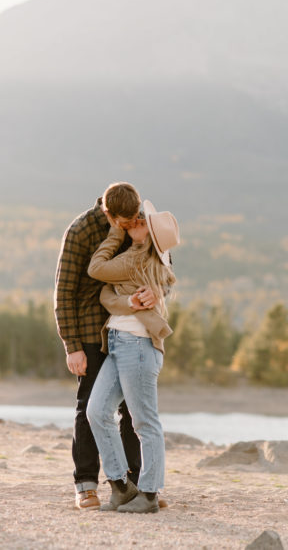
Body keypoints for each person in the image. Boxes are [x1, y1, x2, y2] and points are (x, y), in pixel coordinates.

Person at [53, 182, 156, 511]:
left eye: (133, 218)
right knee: (89, 408)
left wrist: (156, 292)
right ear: (107, 212)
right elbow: (63, 291)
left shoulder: (140, 222)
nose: (130, 225)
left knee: (132, 411)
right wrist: (72, 346)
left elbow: (162, 264)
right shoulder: (81, 230)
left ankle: (133, 485)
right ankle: (85, 484)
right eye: (123, 221)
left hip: (131, 330)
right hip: (89, 331)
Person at [85, 199, 180, 513]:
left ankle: (149, 494)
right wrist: (128, 301)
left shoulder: (136, 259)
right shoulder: (144, 257)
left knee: (145, 423)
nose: (133, 223)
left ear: (148, 235)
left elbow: (96, 270)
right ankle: (122, 487)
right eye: (136, 219)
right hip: (118, 342)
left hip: (137, 346)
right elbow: (105, 296)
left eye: (141, 222)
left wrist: (113, 233)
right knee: (97, 412)